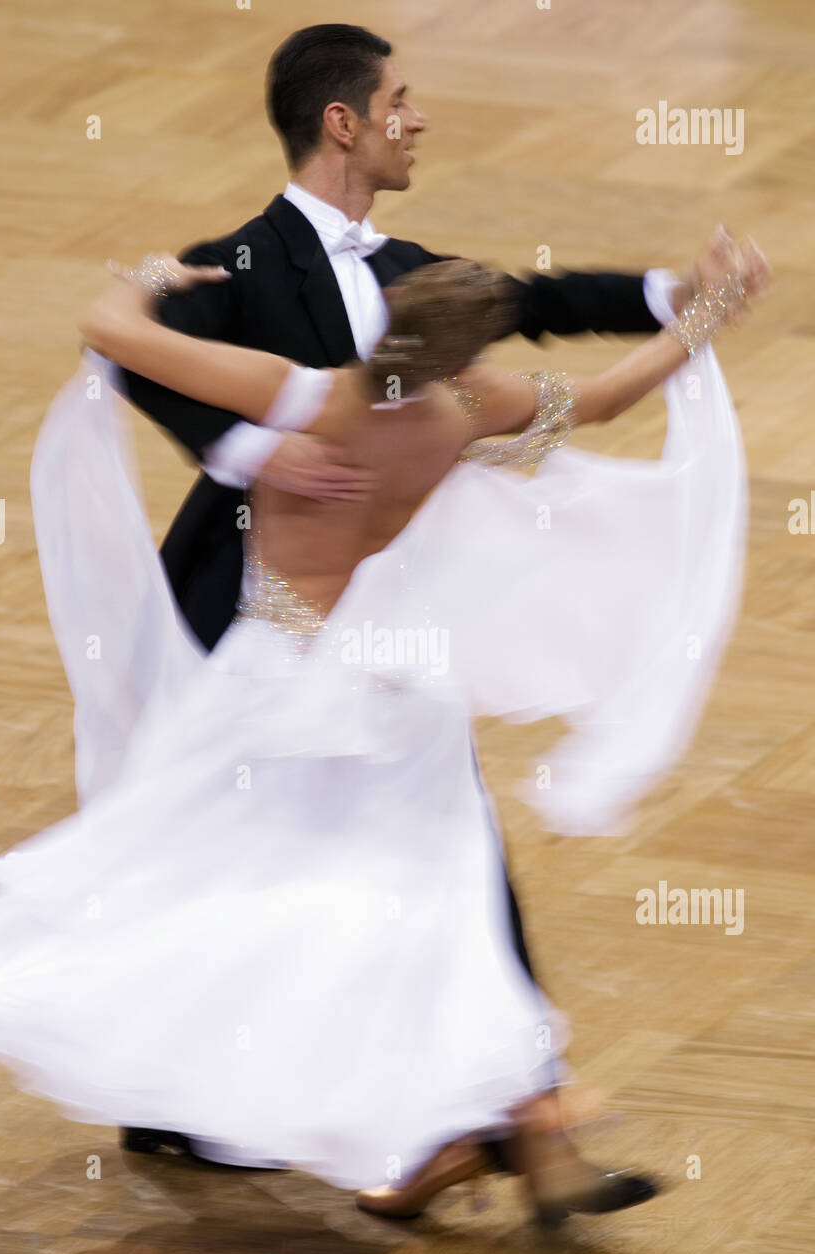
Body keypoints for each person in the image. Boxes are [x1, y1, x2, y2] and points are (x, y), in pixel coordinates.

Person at [0, 238, 767, 1225]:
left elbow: (110, 334)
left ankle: (389, 1109)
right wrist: (700, 321)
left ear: (387, 313)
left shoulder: (303, 398)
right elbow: (605, 397)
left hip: (279, 691)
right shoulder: (467, 407)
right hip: (403, 696)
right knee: (440, 915)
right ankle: (519, 1129)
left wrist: (148, 279)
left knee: (180, 882)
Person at [117, 26, 748, 1151]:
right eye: (400, 99)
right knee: (259, 857)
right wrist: (247, 454)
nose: (420, 118)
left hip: (376, 635)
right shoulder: (248, 261)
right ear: (342, 122)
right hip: (243, 605)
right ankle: (226, 1097)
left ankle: (515, 1101)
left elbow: (538, 298)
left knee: (432, 840)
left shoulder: (408, 277)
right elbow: (137, 356)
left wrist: (668, 291)